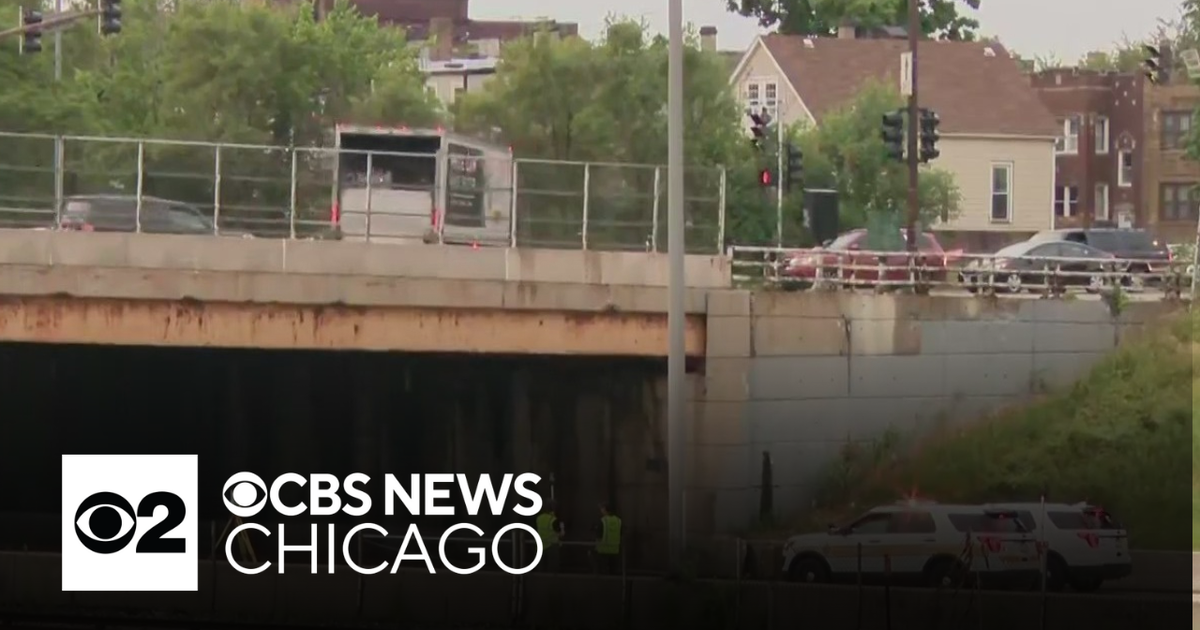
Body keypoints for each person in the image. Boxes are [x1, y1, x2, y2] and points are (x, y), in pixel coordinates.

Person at [591, 502, 622, 575]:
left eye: (602, 508)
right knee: (613, 571)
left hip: (603, 550)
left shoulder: (602, 521)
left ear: (605, 510)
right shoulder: (618, 520)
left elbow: (598, 536)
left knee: (594, 558)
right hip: (615, 549)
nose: (601, 510)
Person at [535, 499, 564, 572]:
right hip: (552, 546)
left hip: (541, 545)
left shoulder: (539, 518)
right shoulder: (553, 520)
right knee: (552, 568)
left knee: (541, 568)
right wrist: (562, 528)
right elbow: (561, 534)